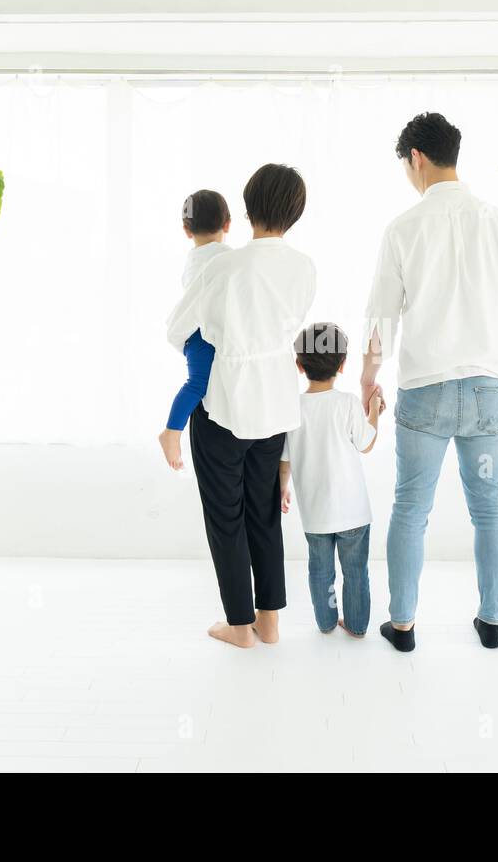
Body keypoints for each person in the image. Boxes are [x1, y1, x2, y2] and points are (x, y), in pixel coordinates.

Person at [361, 112, 498, 653]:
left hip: (424, 391)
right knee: (490, 506)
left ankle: (404, 626)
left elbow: (381, 319)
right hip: (485, 388)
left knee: (410, 507)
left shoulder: (404, 229)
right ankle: (493, 621)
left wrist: (368, 380)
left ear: (416, 159)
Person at [166, 164, 316, 649]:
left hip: (224, 408)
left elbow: (180, 327)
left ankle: (237, 624)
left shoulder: (223, 267)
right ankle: (268, 622)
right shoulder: (304, 268)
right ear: (295, 212)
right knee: (265, 514)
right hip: (275, 405)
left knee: (225, 517)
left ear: (247, 207)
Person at [279, 323, 384, 638]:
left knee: (320, 572)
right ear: (342, 365)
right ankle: (356, 625)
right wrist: (375, 409)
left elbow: (284, 458)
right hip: (353, 511)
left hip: (315, 513)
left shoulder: (292, 409)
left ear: (299, 365)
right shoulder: (349, 403)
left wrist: (282, 486)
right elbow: (366, 443)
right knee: (355, 573)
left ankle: (326, 622)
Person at [158, 189, 232, 471]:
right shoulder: (228, 257)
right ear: (227, 224)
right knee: (199, 384)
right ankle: (172, 431)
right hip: (202, 333)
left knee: (200, 383)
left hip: (196, 335)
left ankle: (173, 431)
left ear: (186, 230)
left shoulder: (193, 259)